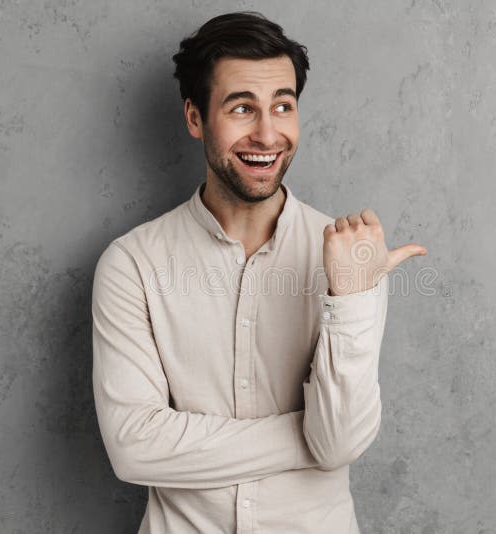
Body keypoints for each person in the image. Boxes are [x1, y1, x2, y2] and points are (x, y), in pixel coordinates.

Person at [91, 11, 427, 533]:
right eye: (242, 108)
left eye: (283, 106)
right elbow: (135, 447)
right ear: (195, 118)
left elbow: (339, 442)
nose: (268, 134)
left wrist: (351, 299)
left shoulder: (351, 260)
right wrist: (306, 436)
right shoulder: (132, 264)